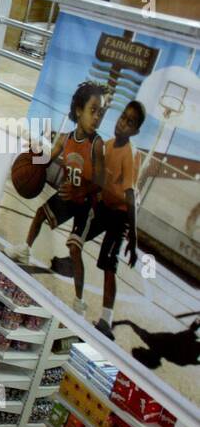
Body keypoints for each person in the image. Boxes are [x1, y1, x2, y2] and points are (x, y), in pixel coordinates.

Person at [8, 81, 107, 315]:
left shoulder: (97, 145)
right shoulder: (65, 139)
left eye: (101, 113)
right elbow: (46, 160)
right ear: (79, 110)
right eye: (93, 110)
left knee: (74, 249)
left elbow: (101, 181)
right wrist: (33, 155)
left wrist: (81, 191)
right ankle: (25, 249)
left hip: (89, 203)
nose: (97, 117)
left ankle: (79, 301)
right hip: (69, 195)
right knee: (40, 213)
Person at [83, 101, 145, 339]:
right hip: (105, 207)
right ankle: (70, 260)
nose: (123, 123)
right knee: (78, 235)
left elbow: (130, 197)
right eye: (123, 117)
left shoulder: (130, 153)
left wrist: (134, 239)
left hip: (121, 213)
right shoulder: (108, 145)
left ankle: (106, 321)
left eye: (130, 122)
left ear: (135, 131)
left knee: (109, 265)